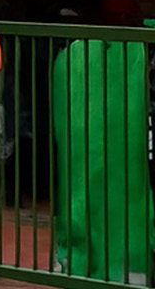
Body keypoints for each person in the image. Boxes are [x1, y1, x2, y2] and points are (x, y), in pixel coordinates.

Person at [50, 33, 153, 283]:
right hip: (92, 56)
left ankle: (99, 262)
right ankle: (96, 261)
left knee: (108, 175)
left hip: (105, 55)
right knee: (89, 174)